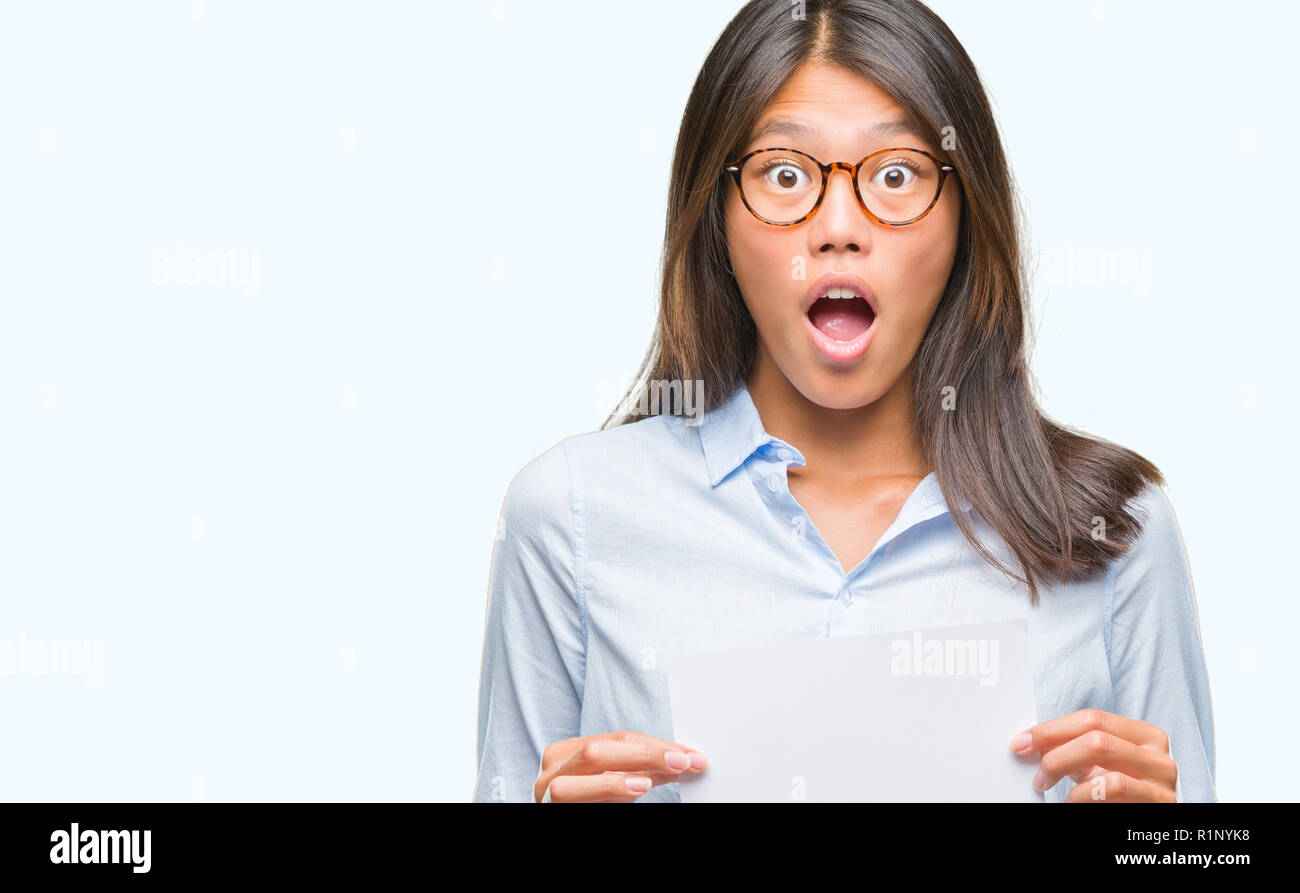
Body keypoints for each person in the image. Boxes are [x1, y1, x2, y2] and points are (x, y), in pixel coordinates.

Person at [473, 0, 1214, 803]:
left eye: (896, 174)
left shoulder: (1117, 535)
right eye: (783, 174)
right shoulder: (571, 520)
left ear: (966, 215)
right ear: (716, 217)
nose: (836, 228)